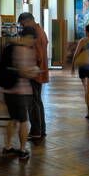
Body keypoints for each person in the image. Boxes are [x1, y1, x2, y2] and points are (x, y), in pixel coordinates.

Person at [0, 31, 31, 156]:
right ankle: (23, 149)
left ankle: (8, 146)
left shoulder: (8, 47)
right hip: (20, 90)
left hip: (7, 89)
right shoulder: (23, 51)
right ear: (28, 37)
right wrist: (34, 72)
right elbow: (24, 72)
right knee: (23, 121)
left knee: (12, 119)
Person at [16, 13, 51, 141]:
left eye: (23, 24)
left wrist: (27, 67)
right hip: (39, 72)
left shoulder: (35, 34)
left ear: (29, 21)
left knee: (33, 103)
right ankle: (41, 130)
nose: (23, 27)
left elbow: (38, 56)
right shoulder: (40, 30)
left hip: (34, 74)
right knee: (37, 102)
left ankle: (36, 131)